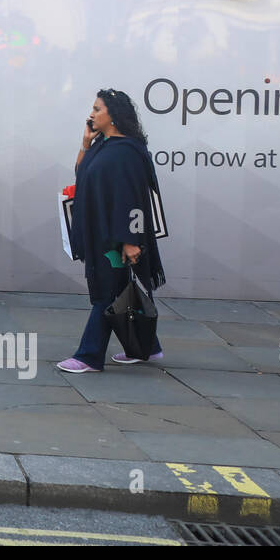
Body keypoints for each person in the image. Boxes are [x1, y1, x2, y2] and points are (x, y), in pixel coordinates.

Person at [57, 88, 164, 372]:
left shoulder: (127, 152)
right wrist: (85, 144)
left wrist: (131, 242)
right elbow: (82, 174)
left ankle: (88, 356)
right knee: (117, 291)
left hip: (117, 239)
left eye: (97, 109)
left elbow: (132, 200)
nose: (91, 114)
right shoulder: (103, 145)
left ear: (113, 116)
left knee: (108, 295)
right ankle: (147, 348)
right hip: (101, 234)